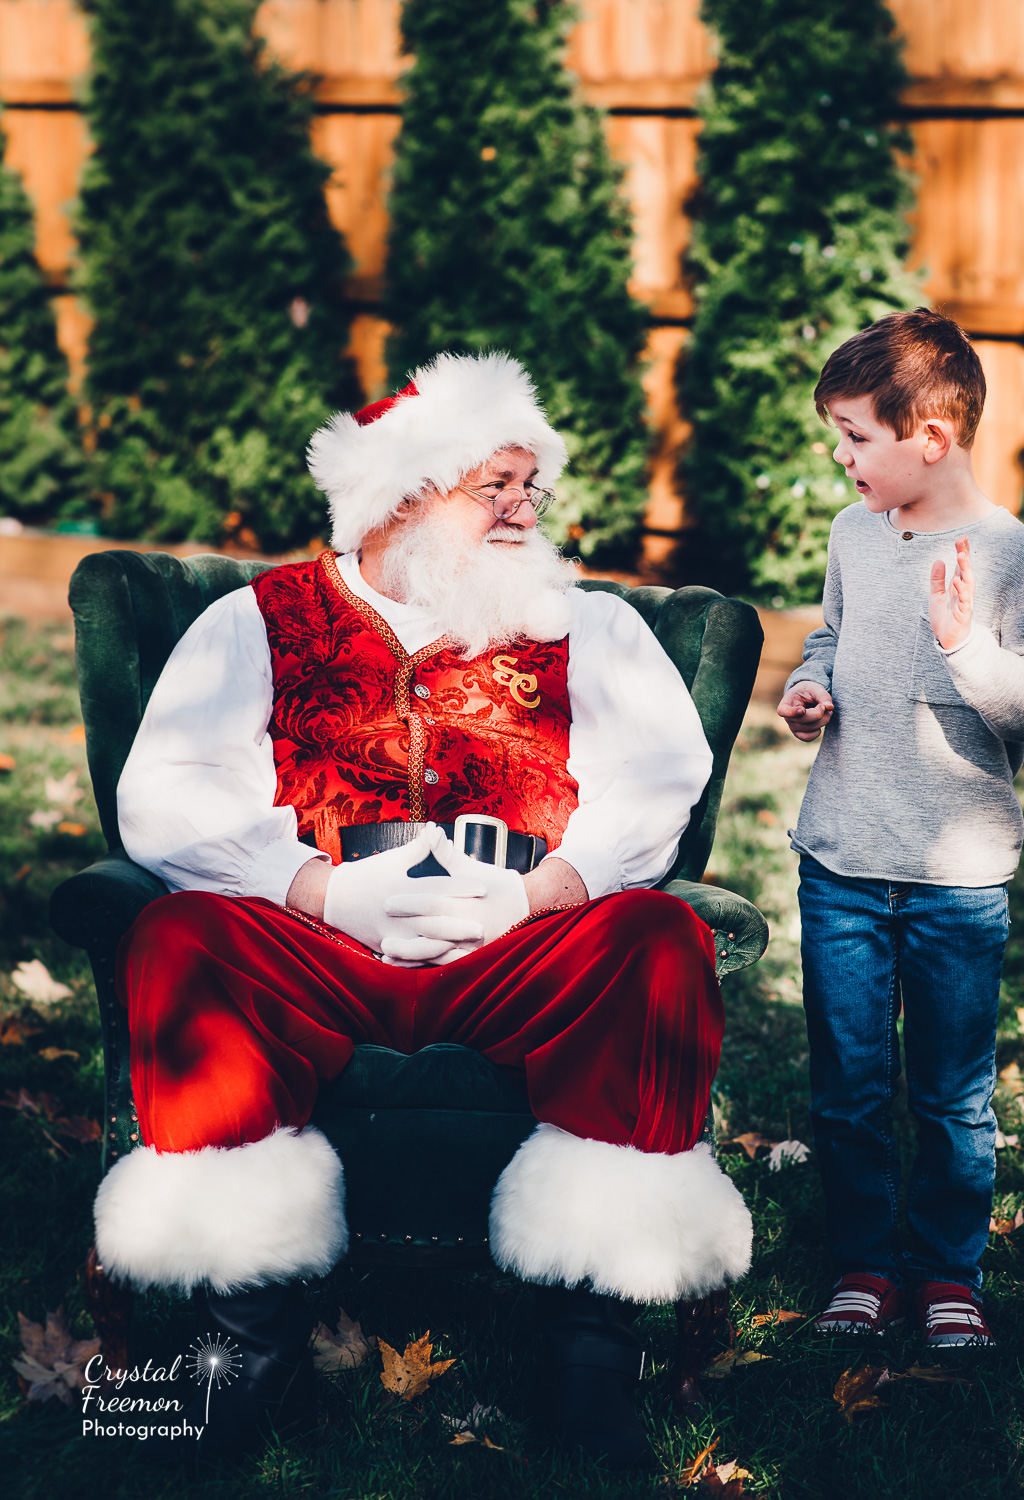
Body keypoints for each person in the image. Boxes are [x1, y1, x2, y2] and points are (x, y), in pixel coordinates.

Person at [93, 351, 752, 1466]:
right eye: (494, 485)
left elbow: (658, 784)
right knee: (178, 935)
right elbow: (164, 795)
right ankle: (250, 1341)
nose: (524, 508)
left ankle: (588, 1348)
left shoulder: (587, 626)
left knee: (657, 940)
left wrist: (542, 894)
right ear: (403, 493)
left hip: (518, 943)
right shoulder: (260, 620)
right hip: (317, 941)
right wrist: (318, 890)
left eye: (531, 485)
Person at [777, 309, 1024, 1348]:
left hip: (954, 879)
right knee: (850, 1090)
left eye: (856, 436)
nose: (840, 454)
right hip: (843, 863)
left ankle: (949, 1270)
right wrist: (811, 686)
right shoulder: (853, 534)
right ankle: (865, 1264)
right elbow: (831, 634)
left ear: (930, 440)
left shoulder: (1007, 556)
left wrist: (965, 651)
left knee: (951, 1098)